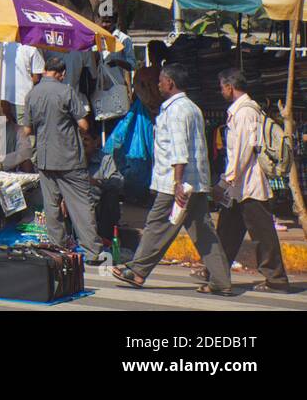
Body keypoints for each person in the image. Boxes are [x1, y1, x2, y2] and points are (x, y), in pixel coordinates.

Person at [112, 64, 233, 295]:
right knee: (204, 232)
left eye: (161, 81)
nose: (157, 85)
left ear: (170, 83)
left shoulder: (176, 111)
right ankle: (221, 280)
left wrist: (177, 183)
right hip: (195, 182)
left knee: (156, 225)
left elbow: (179, 151)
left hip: (176, 184)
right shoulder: (192, 108)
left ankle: (137, 271)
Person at [203, 69, 291, 291]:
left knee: (263, 234)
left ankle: (276, 278)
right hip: (240, 186)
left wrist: (225, 182)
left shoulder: (244, 113)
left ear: (230, 87)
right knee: (227, 232)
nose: (221, 91)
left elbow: (241, 152)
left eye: (222, 87)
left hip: (248, 184)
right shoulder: (245, 110)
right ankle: (215, 273)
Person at [23, 55, 108, 263]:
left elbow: (26, 129)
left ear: (45, 71)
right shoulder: (66, 91)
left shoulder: (32, 94)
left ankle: (57, 249)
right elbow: (84, 125)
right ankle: (93, 252)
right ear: (61, 73)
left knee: (51, 206)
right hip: (69, 157)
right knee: (80, 204)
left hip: (44, 158)